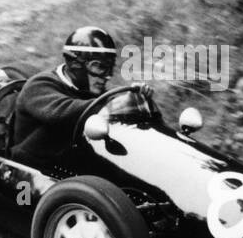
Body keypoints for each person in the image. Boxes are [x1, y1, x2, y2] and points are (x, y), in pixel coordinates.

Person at [12, 27, 150, 167]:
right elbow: (61, 113)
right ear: (75, 64)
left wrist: (135, 101)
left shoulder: (90, 88)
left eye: (110, 68)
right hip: (31, 167)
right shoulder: (39, 85)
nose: (107, 75)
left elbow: (106, 102)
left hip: (68, 159)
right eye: (98, 66)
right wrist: (115, 105)